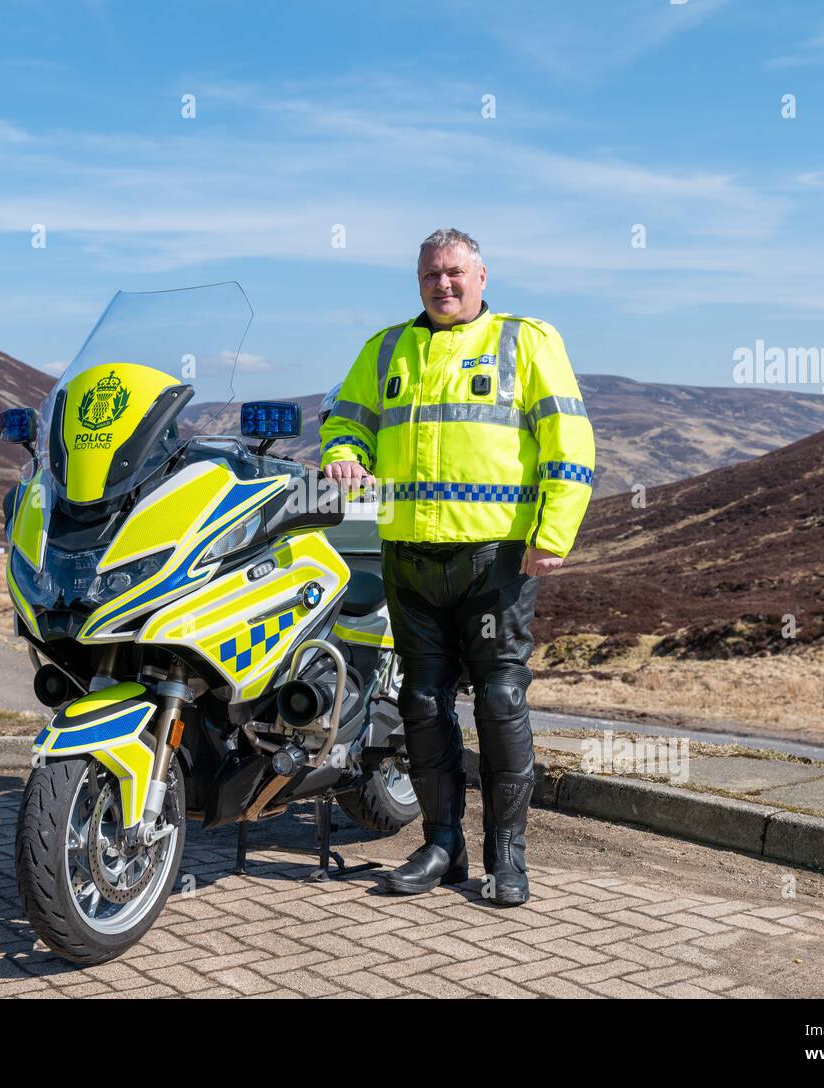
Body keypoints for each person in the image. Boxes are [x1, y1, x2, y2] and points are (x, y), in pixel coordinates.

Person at [318, 228, 595, 906]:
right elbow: (344, 422)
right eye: (430, 275)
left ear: (482, 277)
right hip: (409, 560)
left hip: (495, 560)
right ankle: (442, 847)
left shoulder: (526, 341)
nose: (443, 284)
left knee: (500, 702)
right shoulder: (386, 347)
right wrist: (342, 453)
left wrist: (553, 531)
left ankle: (508, 855)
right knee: (419, 701)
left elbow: (569, 438)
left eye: (455, 273)